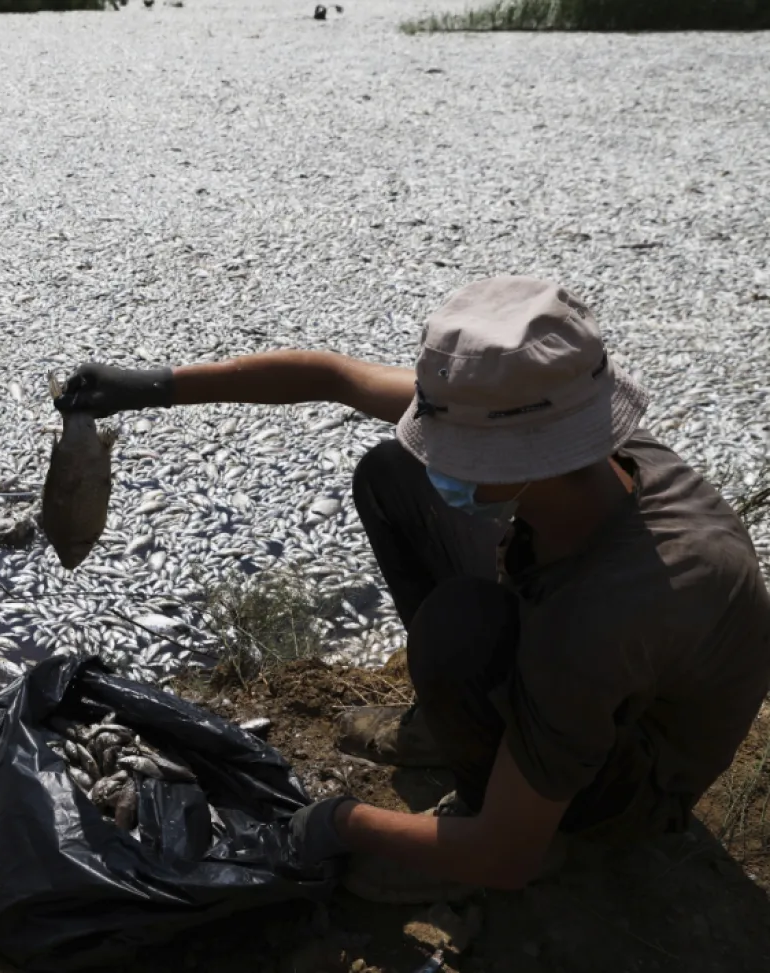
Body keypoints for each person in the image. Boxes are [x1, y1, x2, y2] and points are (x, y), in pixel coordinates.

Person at [55, 276, 770, 897]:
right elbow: (331, 377)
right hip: (596, 667)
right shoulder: (579, 445)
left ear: (524, 458)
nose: (443, 462)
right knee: (394, 471)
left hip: (632, 786)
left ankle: (531, 814)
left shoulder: (599, 620)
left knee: (458, 630)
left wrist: (340, 822)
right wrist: (149, 387)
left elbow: (505, 857)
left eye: (459, 455)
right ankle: (462, 727)